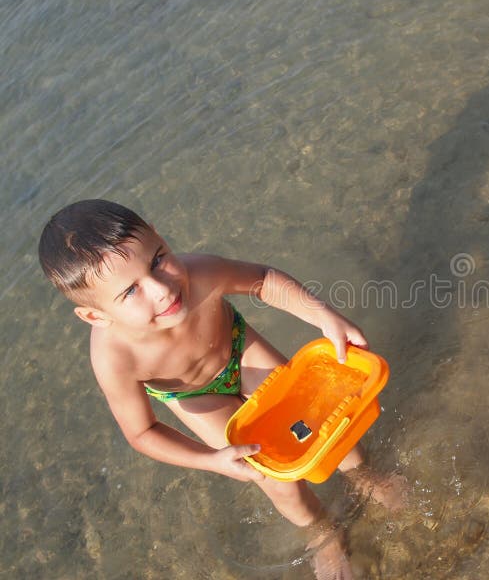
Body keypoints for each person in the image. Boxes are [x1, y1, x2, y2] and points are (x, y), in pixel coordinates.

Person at [38, 199, 405, 579]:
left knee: (313, 416)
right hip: (194, 396)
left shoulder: (199, 273)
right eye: (131, 291)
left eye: (157, 260)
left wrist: (323, 316)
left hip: (238, 349)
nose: (161, 289)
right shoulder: (113, 358)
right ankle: (322, 534)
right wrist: (210, 460)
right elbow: (142, 431)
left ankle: (365, 476)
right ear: (95, 315)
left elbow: (263, 280)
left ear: (159, 237)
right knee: (267, 473)